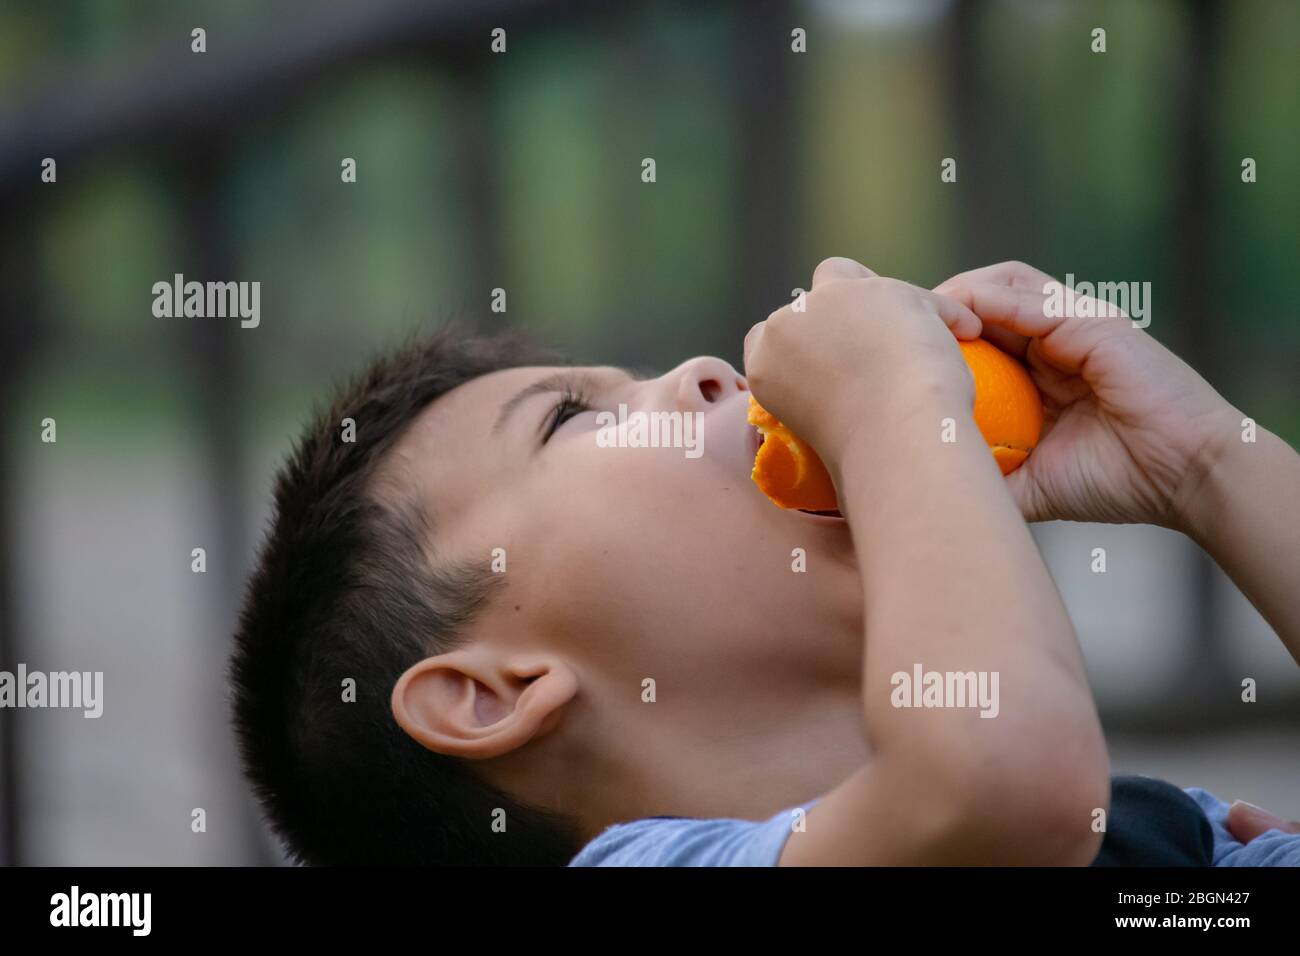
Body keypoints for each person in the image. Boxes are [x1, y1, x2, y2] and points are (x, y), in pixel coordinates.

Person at [228, 257, 1300, 865]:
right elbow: (997, 786)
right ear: (488, 692)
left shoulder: (1168, 842)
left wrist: (1204, 464)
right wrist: (892, 402)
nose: (700, 369)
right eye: (567, 417)